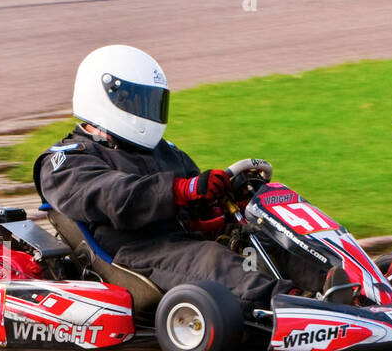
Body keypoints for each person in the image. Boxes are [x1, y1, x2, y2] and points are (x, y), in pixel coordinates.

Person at [36, 45, 327, 312]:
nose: (146, 109)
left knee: (268, 239)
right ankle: (297, 306)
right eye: (138, 100)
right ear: (107, 97)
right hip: (138, 252)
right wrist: (182, 190)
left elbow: (196, 196)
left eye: (151, 101)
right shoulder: (66, 160)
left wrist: (225, 198)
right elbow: (115, 197)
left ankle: (343, 287)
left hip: (186, 239)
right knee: (214, 261)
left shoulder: (162, 151)